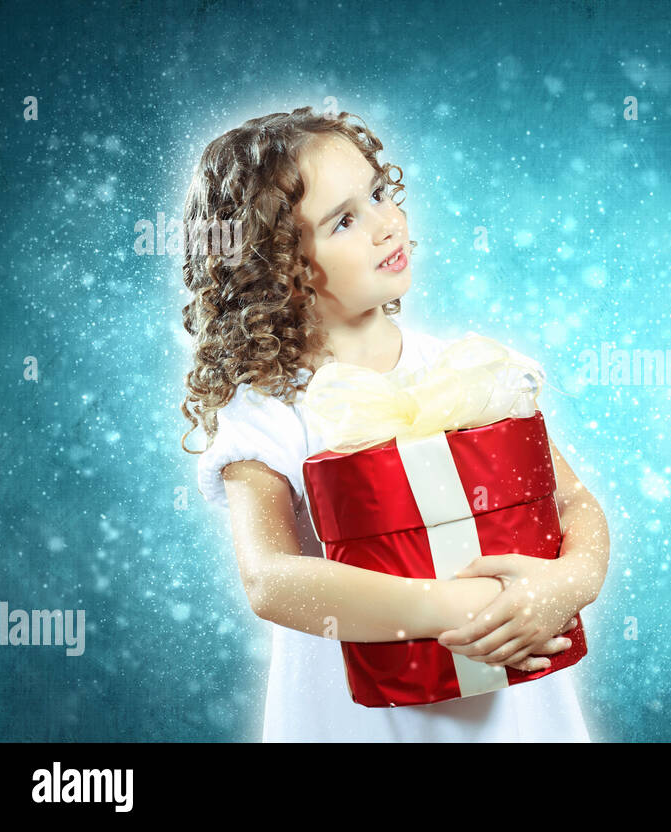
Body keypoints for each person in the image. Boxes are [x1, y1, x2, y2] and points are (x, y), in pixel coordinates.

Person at [178, 107, 609, 741]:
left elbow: (572, 503)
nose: (387, 224)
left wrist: (568, 584)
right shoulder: (270, 412)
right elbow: (270, 579)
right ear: (278, 269)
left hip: (517, 707)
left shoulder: (473, 368)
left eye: (379, 194)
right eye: (345, 220)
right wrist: (448, 611)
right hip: (357, 720)